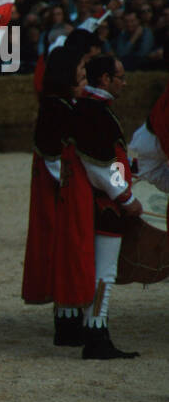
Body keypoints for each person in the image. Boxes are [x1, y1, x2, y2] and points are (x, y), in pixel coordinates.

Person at [57, 55, 143, 359]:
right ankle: (96, 332)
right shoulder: (96, 113)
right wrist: (127, 199)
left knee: (98, 270)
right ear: (104, 79)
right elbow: (101, 167)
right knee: (104, 272)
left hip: (94, 202)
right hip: (105, 205)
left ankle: (93, 328)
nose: (124, 82)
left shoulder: (87, 109)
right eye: (120, 77)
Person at [22, 46, 87, 344]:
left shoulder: (58, 105)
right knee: (64, 253)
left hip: (59, 193)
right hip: (60, 197)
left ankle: (69, 320)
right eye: (81, 74)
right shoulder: (57, 109)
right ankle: (68, 324)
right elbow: (52, 156)